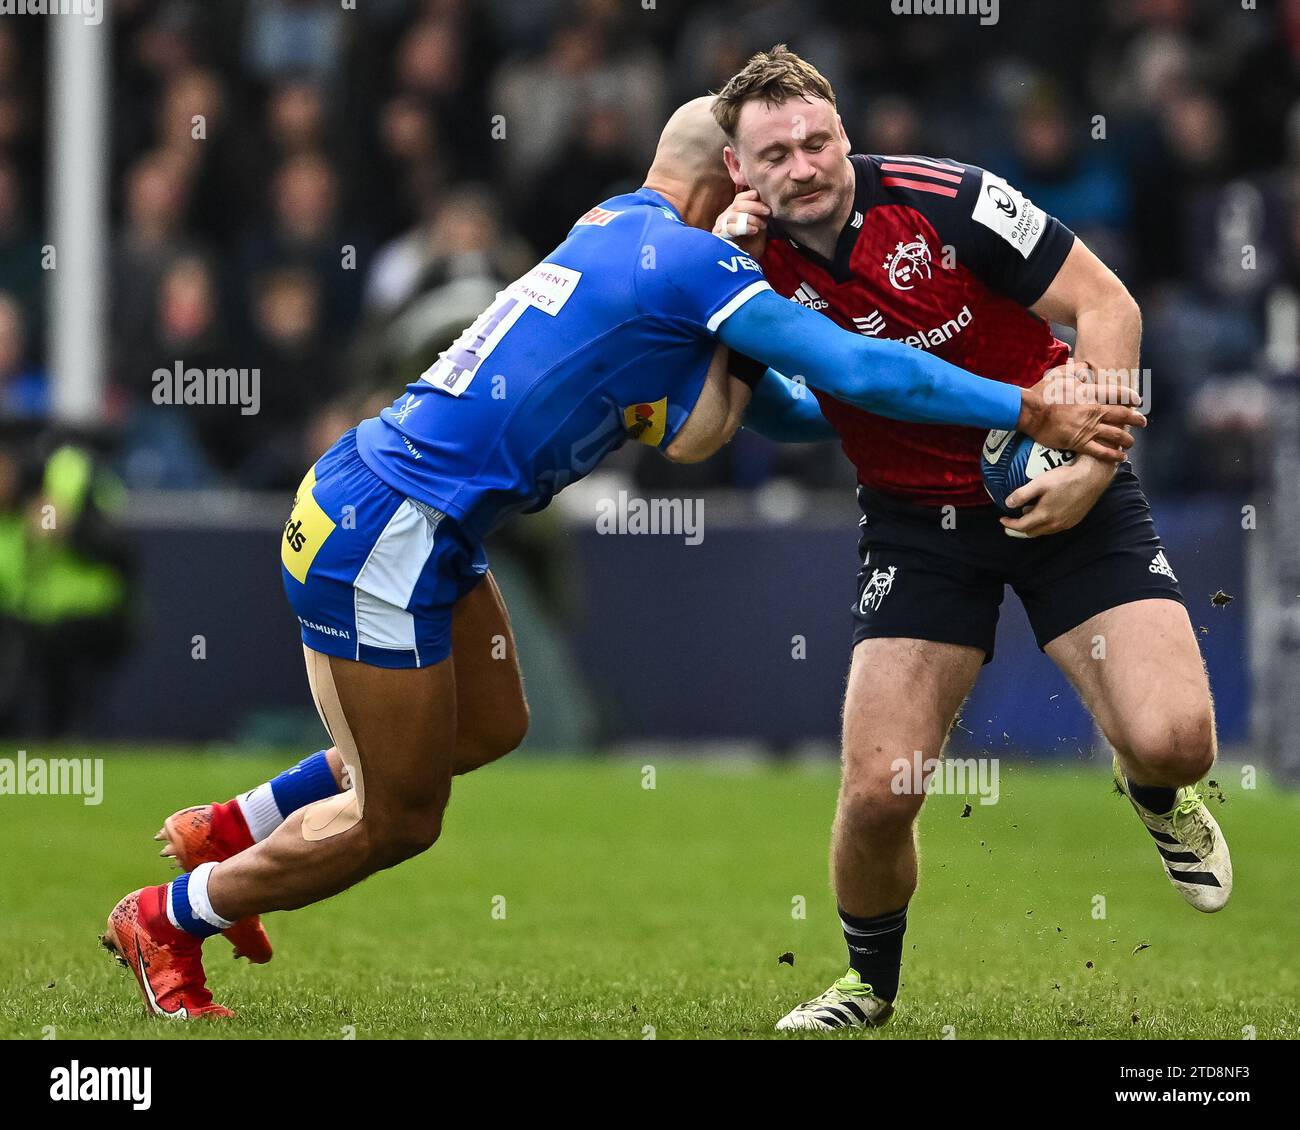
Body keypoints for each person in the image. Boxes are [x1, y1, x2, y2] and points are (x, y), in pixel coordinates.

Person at [101, 98, 1139, 1019]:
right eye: (758, 179)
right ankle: (174, 913)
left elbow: (755, 409)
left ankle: (237, 821)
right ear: (727, 178)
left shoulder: (615, 227)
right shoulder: (696, 264)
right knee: (398, 818)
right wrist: (1022, 401)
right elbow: (846, 370)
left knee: (490, 724)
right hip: (388, 531)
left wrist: (864, 397)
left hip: (406, 508)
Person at [709, 46, 1229, 1032]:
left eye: (818, 140)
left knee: (1175, 739)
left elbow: (1105, 303)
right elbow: (767, 410)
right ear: (739, 169)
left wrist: (1088, 468)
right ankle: (867, 986)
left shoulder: (951, 199)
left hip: (1059, 480)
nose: (804, 165)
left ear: (844, 135)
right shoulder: (733, 264)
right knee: (875, 789)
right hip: (917, 525)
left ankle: (1155, 794)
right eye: (776, 153)